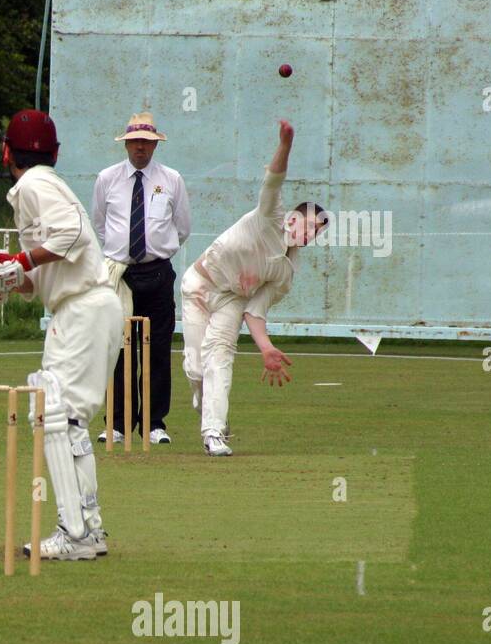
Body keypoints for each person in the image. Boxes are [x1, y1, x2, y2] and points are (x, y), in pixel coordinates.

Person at [0, 110, 124, 560]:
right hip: (87, 306)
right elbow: (43, 274)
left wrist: (20, 262)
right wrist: (5, 275)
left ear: (6, 151)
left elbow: (74, 235)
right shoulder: (43, 187)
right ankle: (89, 530)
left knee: (53, 409)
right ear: (55, 152)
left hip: (83, 309)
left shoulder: (34, 184)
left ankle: (74, 533)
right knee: (67, 418)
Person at [181, 119, 327, 456]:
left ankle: (214, 432)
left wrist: (266, 348)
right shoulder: (269, 216)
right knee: (195, 367)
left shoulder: (285, 272)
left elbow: (254, 311)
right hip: (200, 285)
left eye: (316, 233)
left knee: (219, 356)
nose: (309, 235)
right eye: (308, 225)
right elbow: (274, 178)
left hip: (233, 300)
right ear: (292, 218)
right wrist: (285, 145)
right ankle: (207, 405)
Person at [91, 111, 190, 446]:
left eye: (146, 143)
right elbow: (100, 225)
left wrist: (157, 248)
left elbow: (183, 227)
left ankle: (154, 423)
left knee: (157, 349)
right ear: (126, 143)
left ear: (155, 145)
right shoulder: (107, 178)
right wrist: (122, 253)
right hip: (120, 274)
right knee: (119, 349)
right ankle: (117, 423)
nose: (140, 148)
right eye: (135, 142)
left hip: (158, 273)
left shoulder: (172, 179)